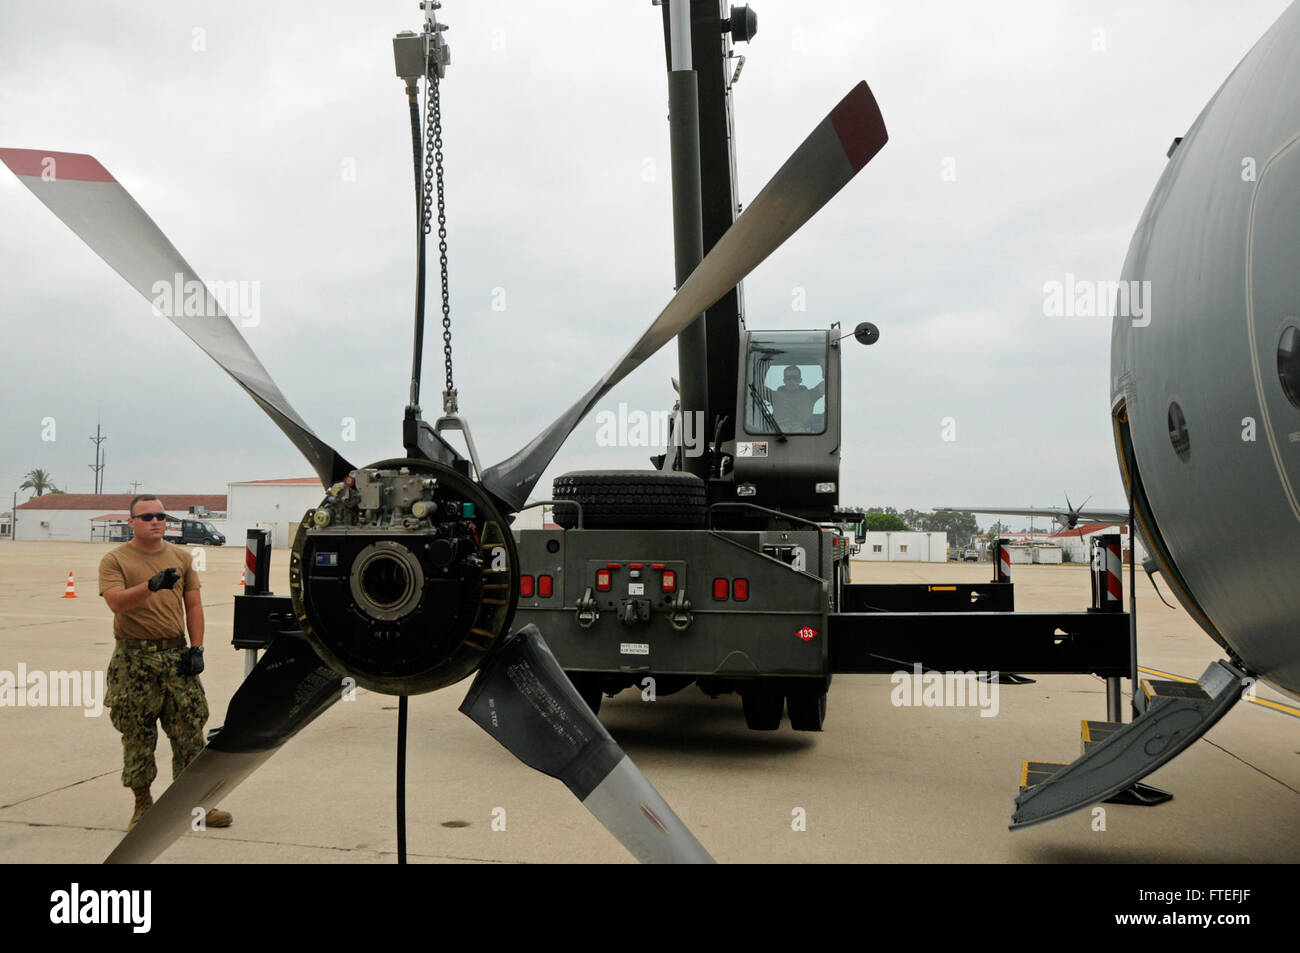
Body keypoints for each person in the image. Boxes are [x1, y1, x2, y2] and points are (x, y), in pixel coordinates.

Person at [98, 494, 232, 831]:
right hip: (134, 660)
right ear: (131, 522)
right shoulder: (115, 560)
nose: (155, 521)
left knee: (189, 731)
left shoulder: (181, 557)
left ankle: (196, 805)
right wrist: (150, 586)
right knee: (138, 734)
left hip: (176, 656)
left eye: (160, 515)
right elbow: (116, 603)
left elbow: (195, 606)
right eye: (146, 517)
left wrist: (197, 648)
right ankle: (143, 805)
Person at [769, 364, 826, 433]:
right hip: (779, 432)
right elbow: (756, 387)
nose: (792, 381)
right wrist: (766, 363)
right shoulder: (774, 395)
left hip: (802, 431)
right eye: (788, 378)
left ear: (800, 380)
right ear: (784, 381)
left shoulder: (810, 394)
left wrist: (822, 362)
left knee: (799, 431)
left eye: (795, 378)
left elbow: (829, 382)